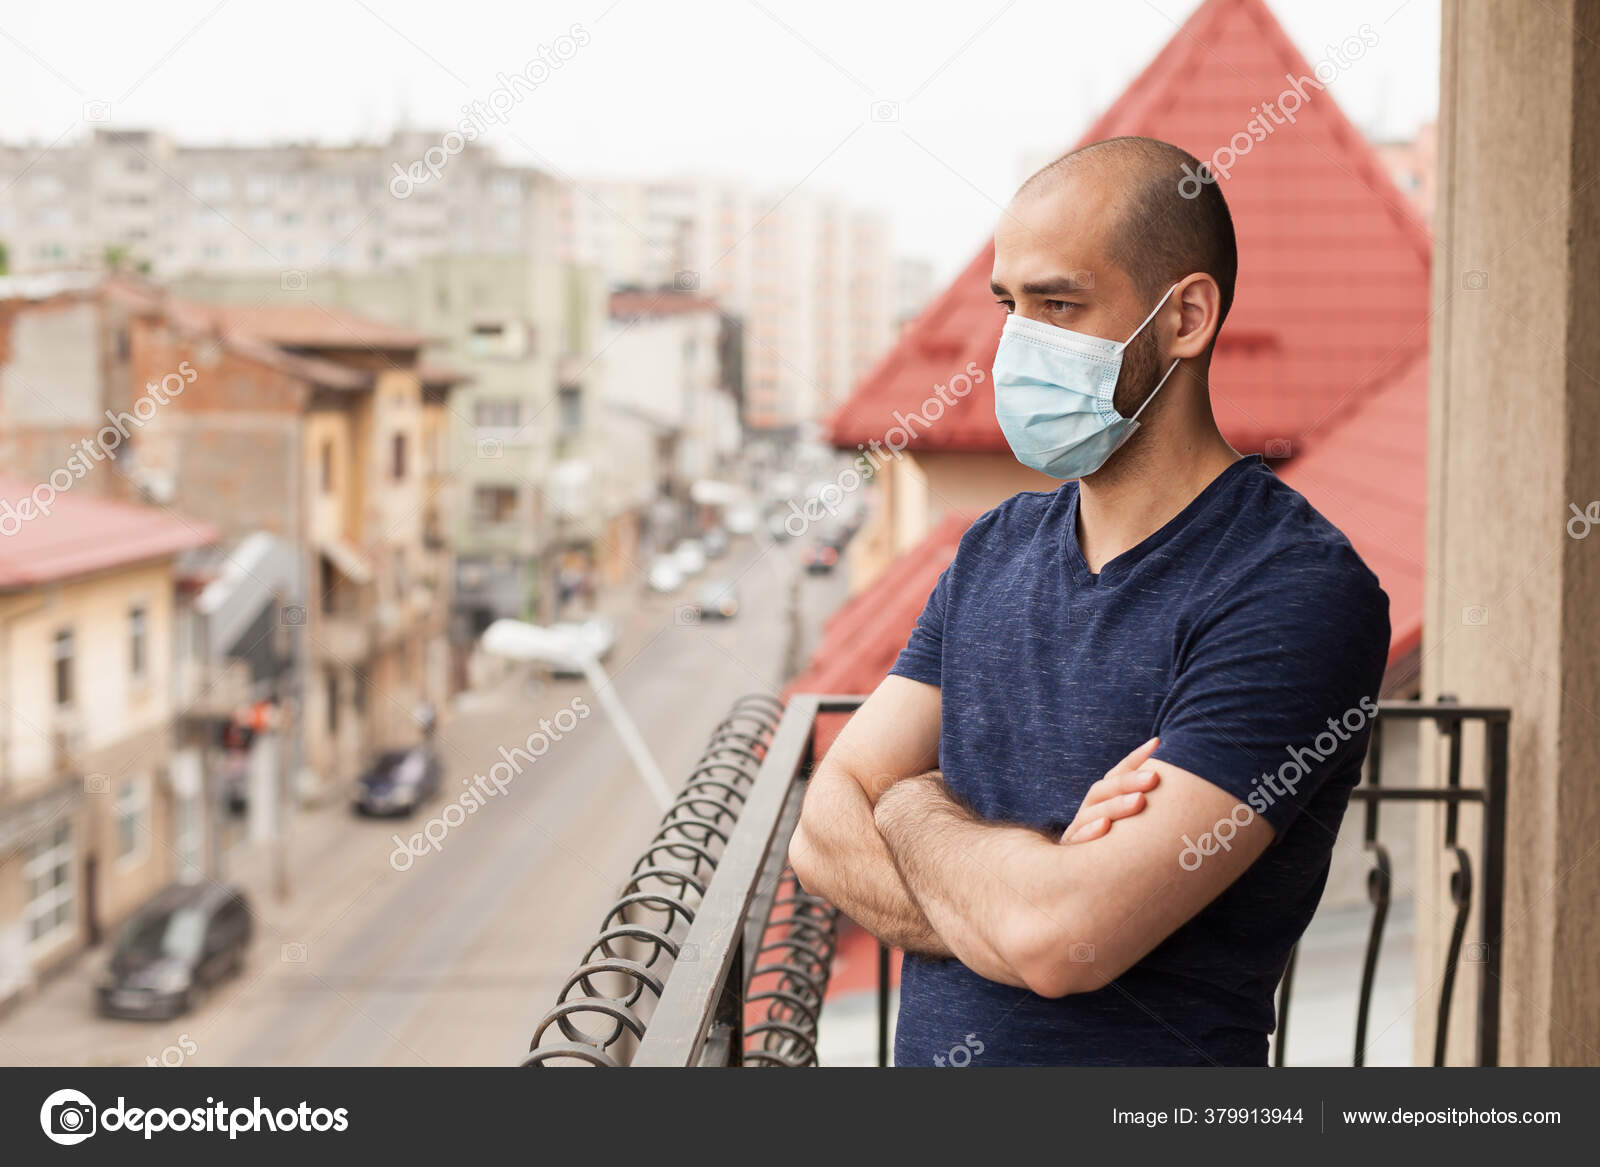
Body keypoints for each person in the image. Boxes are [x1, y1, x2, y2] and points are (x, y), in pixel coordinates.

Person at [789, 137, 1390, 1067]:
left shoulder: (1293, 590)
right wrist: (1021, 898)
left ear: (1187, 316)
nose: (1017, 344)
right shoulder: (995, 547)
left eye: (1059, 304)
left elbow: (1063, 938)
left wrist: (910, 808)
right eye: (1009, 307)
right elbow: (823, 832)